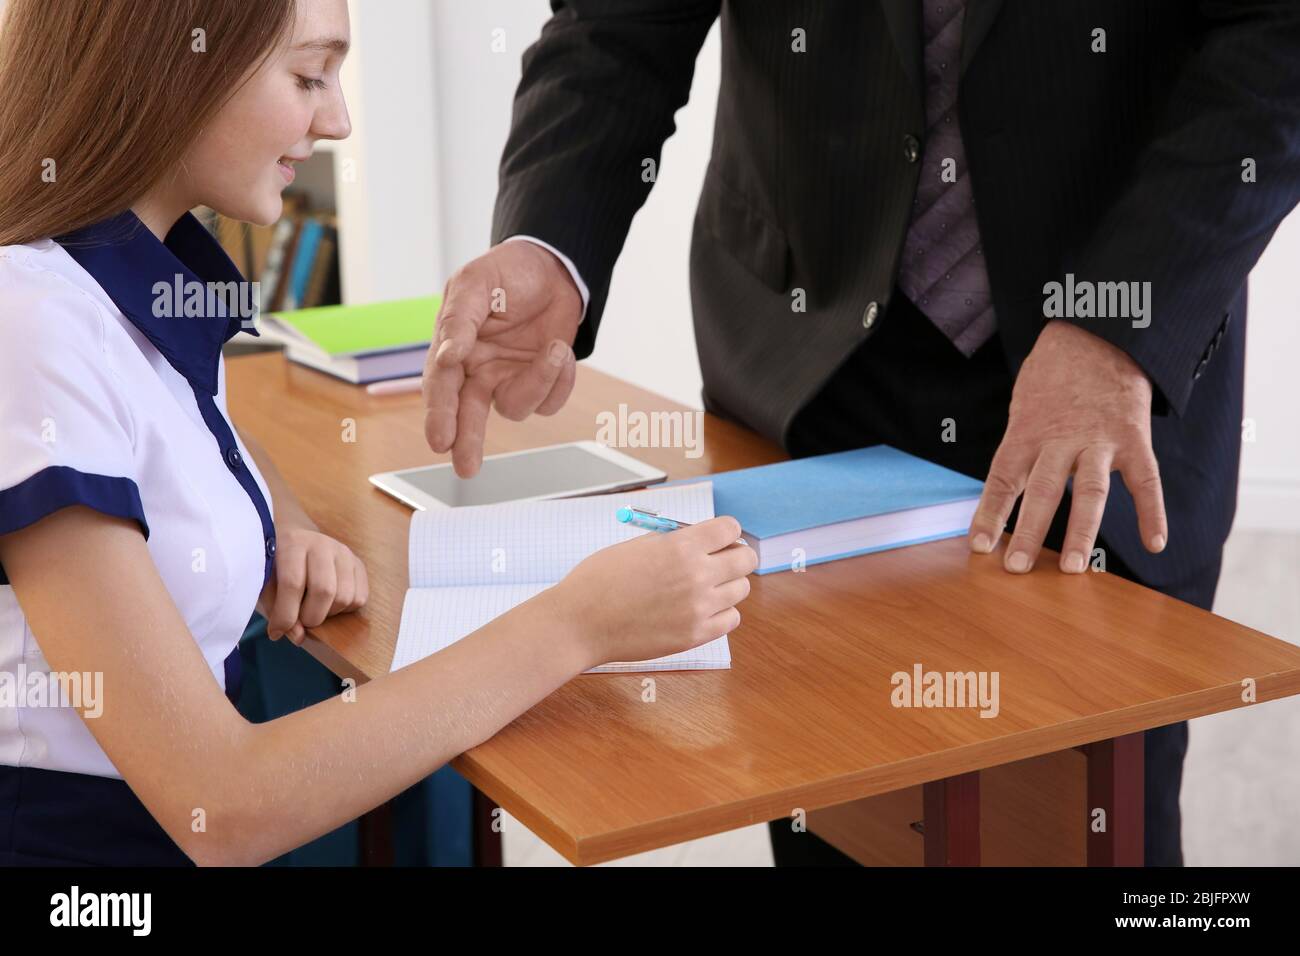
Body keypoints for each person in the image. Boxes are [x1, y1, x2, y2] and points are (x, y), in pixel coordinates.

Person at [421, 1, 1300, 866]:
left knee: (1090, 820)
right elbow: (616, 23)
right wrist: (550, 242)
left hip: (1103, 376)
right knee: (826, 803)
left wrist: (1122, 324)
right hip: (810, 365)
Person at [0, 0, 755, 867]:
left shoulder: (128, 283)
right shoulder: (34, 325)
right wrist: (578, 625)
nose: (339, 120)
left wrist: (282, 522)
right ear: (174, 60)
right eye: (309, 76)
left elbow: (181, 430)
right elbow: (225, 804)